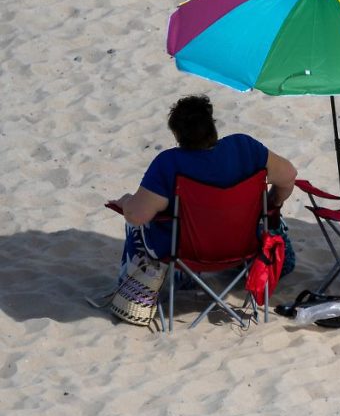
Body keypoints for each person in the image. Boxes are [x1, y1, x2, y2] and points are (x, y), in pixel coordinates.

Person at [113, 95, 297, 279]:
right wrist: (273, 204)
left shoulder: (169, 163)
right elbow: (289, 176)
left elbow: (136, 216)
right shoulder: (245, 148)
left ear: (177, 134)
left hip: (187, 255)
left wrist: (126, 201)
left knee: (134, 221)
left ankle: (144, 295)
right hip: (245, 246)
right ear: (212, 125)